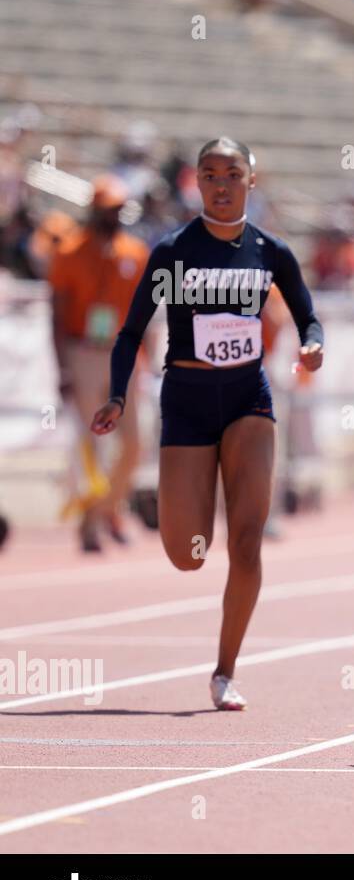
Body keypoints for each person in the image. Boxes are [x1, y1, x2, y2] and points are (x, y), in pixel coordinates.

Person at [91, 137, 324, 711]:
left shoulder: (271, 252)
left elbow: (308, 316)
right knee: (189, 553)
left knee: (247, 543)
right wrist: (117, 395)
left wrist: (313, 344)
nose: (221, 184)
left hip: (249, 398)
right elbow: (128, 332)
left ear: (252, 178)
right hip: (188, 401)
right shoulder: (173, 251)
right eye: (210, 174)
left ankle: (225, 671)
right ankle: (196, 537)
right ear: (196, 181)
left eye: (233, 173)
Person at [47, 175, 150, 550]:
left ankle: (109, 507)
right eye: (109, 210)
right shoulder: (71, 251)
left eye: (120, 209)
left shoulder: (134, 252)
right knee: (93, 440)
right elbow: (56, 313)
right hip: (84, 350)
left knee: (136, 441)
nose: (115, 217)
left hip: (122, 351)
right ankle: (90, 524)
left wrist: (147, 354)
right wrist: (61, 366)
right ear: (94, 209)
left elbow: (143, 308)